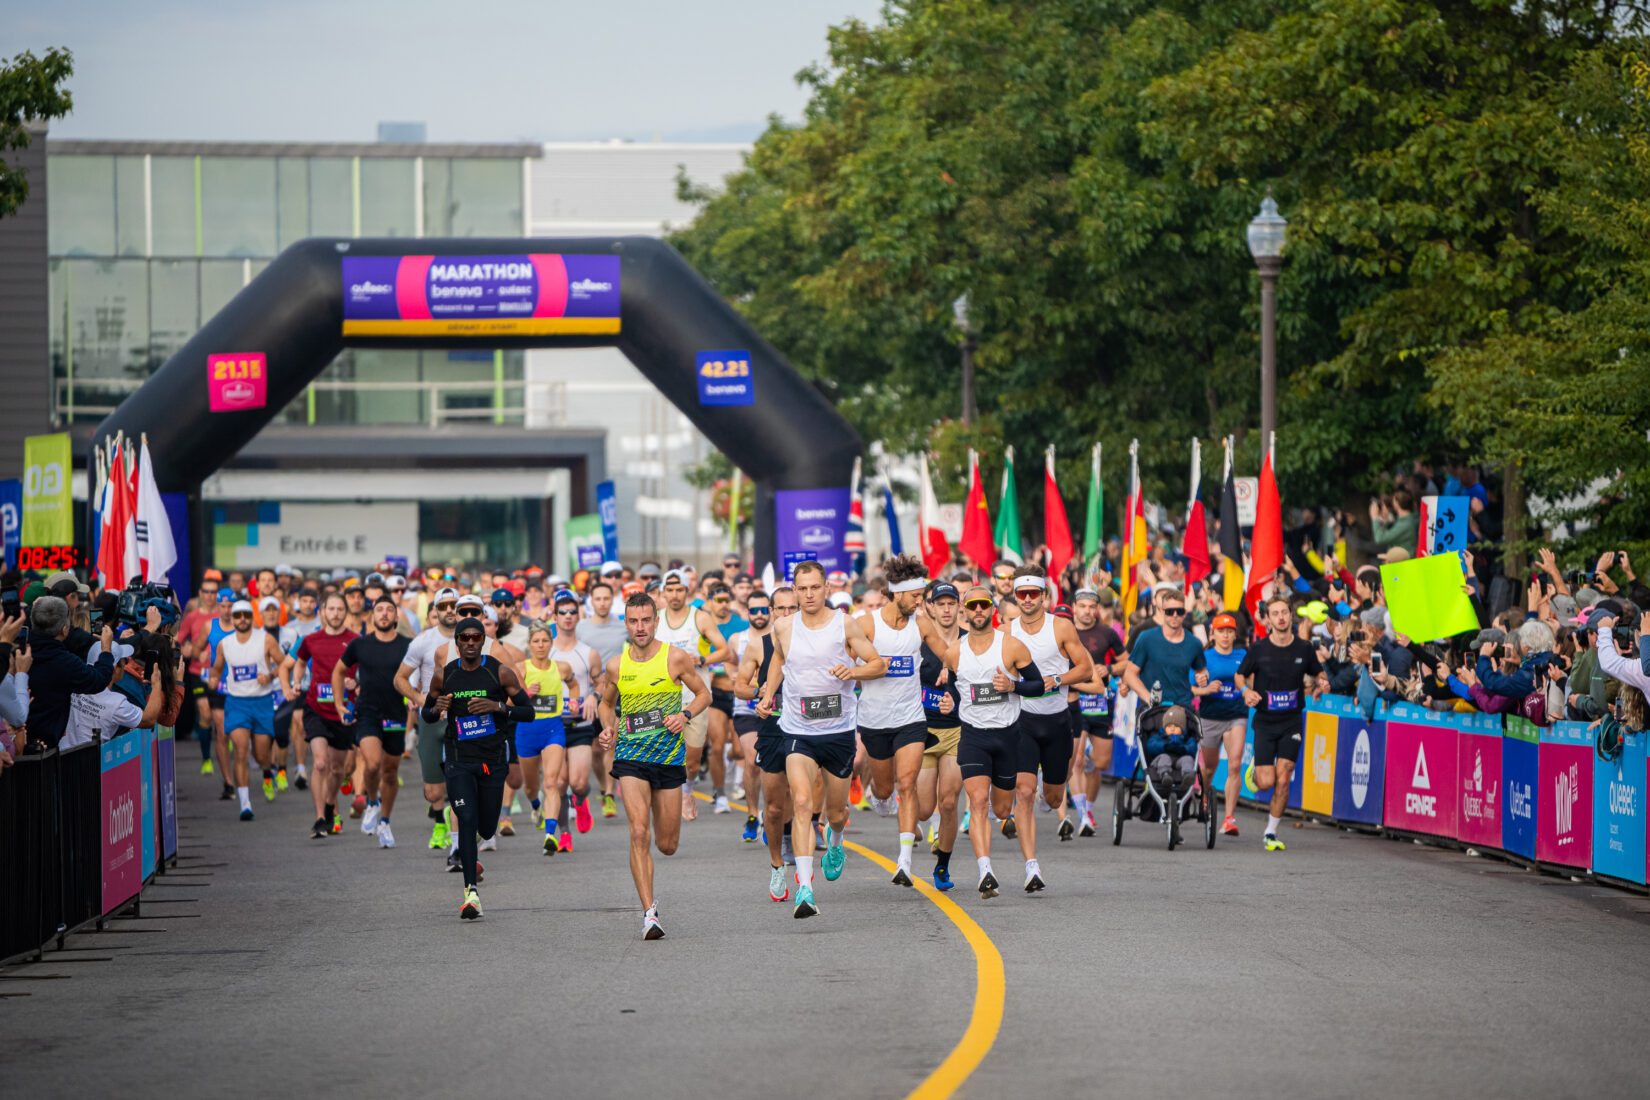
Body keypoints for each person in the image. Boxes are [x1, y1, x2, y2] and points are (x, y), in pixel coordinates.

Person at [758, 560, 887, 919]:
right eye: (802, 588)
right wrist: (769, 693)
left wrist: (854, 670)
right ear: (794, 590)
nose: (809, 594)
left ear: (826, 587)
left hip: (839, 731)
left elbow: (879, 664)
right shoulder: (783, 626)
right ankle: (805, 888)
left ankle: (837, 839)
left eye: (815, 587)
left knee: (836, 812)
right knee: (800, 803)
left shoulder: (845, 624)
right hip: (797, 729)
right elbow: (779, 661)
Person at [596, 592, 712, 940]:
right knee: (637, 832)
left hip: (668, 759)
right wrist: (607, 726)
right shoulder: (617, 665)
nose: (640, 627)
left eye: (646, 620)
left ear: (656, 621)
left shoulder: (674, 658)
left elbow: (704, 694)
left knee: (667, 844)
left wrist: (685, 714)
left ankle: (682, 800)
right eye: (633, 621)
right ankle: (649, 913)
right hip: (631, 757)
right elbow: (606, 703)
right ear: (626, 623)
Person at [421, 616, 538, 920]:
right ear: (456, 643)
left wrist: (498, 707)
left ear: (482, 641)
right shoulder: (444, 676)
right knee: (467, 818)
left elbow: (528, 712)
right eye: (465, 638)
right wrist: (438, 709)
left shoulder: (499, 672)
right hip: (459, 760)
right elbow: (427, 714)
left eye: (477, 638)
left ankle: (472, 853)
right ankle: (471, 893)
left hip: (492, 761)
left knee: (487, 828)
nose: (471, 643)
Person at [855, 553, 954, 886]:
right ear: (897, 593)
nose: (920, 602)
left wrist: (957, 665)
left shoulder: (921, 624)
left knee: (907, 784)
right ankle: (879, 797)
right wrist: (864, 668)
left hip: (911, 719)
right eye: (915, 596)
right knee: (884, 789)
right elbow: (842, 660)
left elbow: (949, 653)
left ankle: (904, 862)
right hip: (874, 720)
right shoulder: (867, 624)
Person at [944, 585, 1043, 897]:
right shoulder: (954, 652)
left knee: (1002, 809)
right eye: (972, 606)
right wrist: (949, 704)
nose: (978, 611)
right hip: (973, 736)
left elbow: (1038, 685)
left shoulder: (1011, 646)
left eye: (983, 605)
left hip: (1009, 735)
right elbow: (953, 690)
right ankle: (985, 870)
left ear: (992, 609)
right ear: (965, 610)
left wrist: (1013, 685)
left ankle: (1011, 834)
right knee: (977, 802)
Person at [1002, 564, 1094, 869]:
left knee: (1054, 798)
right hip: (1023, 721)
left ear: (1044, 596)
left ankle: (1049, 796)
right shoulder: (1007, 632)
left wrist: (1059, 679)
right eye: (1021, 593)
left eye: (1034, 593)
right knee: (1023, 792)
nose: (1027, 599)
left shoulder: (1061, 627)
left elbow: (1085, 668)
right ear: (1014, 596)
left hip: (1057, 721)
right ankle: (1031, 866)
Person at [1238, 596, 1328, 851]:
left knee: (1284, 776)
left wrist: (1322, 681)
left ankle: (1271, 832)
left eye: (1284, 613)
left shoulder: (1304, 648)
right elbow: (1239, 675)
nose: (1280, 617)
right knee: (1266, 782)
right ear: (1268, 619)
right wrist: (1245, 691)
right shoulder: (1258, 648)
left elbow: (1318, 671)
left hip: (1291, 721)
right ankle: (1256, 769)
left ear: (1290, 616)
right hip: (1265, 721)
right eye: (1275, 613)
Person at [334, 597, 412, 848]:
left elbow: (421, 670)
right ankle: (371, 802)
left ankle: (385, 822)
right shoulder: (359, 645)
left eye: (390, 610)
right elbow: (338, 671)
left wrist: (416, 696)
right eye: (380, 610)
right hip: (367, 712)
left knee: (390, 773)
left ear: (396, 617)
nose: (385, 614)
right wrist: (338, 703)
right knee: (372, 763)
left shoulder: (407, 645)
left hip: (395, 715)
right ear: (372, 617)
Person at [653, 569, 730, 822]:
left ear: (687, 591)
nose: (674, 594)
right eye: (670, 589)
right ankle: (666, 798)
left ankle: (687, 789)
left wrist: (702, 658)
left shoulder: (701, 618)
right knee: (662, 756)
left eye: (679, 589)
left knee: (692, 762)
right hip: (662, 698)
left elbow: (724, 650)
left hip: (695, 697)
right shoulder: (655, 618)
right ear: (663, 592)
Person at [282, 593, 359, 838]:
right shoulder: (310, 639)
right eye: (331, 609)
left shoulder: (356, 641)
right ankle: (319, 818)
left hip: (344, 711)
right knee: (321, 762)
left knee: (338, 769)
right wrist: (295, 682)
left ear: (345, 612)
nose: (335, 614)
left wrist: (355, 682)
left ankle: (329, 804)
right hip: (315, 708)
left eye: (340, 609)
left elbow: (367, 671)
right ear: (323, 611)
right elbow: (300, 662)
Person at [395, 587, 459, 854]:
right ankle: (440, 818)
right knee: (434, 792)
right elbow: (400, 678)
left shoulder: (472, 637)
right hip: (432, 717)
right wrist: (420, 699)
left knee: (461, 781)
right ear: (435, 610)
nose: (448, 610)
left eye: (453, 605)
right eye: (443, 606)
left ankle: (457, 838)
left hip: (464, 718)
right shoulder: (422, 641)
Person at [208, 599, 285, 820]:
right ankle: (245, 804)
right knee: (240, 750)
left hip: (261, 702)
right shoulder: (225, 643)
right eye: (238, 615)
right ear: (232, 618)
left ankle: (267, 772)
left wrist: (269, 676)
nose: (242, 619)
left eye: (246, 615)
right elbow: (216, 669)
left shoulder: (266, 639)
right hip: (237, 703)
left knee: (261, 755)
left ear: (252, 618)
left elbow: (283, 663)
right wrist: (213, 680)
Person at [916, 580, 964, 890]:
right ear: (930, 607)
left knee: (948, 802)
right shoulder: (918, 642)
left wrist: (955, 697)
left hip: (957, 731)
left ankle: (942, 866)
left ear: (959, 607)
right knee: (922, 809)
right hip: (922, 730)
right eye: (940, 603)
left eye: (951, 603)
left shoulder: (971, 641)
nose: (946, 609)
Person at [24, 596, 117, 752]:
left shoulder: (18, 650)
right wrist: (106, 649)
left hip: (15, 745)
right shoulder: (65, 662)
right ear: (64, 629)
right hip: (44, 747)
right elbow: (99, 680)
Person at [1066, 587, 1123, 837]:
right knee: (1075, 761)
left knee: (1100, 762)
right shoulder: (1065, 632)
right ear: (1075, 608)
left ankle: (1088, 807)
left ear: (1097, 610)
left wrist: (1108, 669)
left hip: (1101, 703)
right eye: (1083, 606)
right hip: (1073, 702)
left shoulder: (1108, 633)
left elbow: (1126, 662)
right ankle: (1083, 815)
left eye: (1092, 607)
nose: (1088, 611)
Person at [517, 624, 573, 856]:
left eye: (545, 641)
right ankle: (535, 805)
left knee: (552, 783)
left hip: (553, 729)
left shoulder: (561, 668)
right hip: (527, 731)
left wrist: (576, 700)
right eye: (536, 641)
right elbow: (509, 701)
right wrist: (526, 694)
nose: (541, 645)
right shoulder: (521, 668)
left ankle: (550, 834)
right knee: (531, 787)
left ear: (551, 643)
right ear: (529, 645)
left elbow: (575, 684)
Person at [1195, 612, 1249, 836]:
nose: (1225, 636)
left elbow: (1252, 680)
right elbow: (1190, 686)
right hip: (1209, 716)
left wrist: (1249, 691)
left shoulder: (1243, 655)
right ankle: (1205, 795)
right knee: (1209, 768)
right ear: (1213, 634)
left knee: (1234, 765)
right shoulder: (1204, 657)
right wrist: (1205, 689)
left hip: (1236, 715)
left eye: (1229, 631)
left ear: (1235, 634)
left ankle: (1229, 818)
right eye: (1221, 631)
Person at [730, 590, 775, 847]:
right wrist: (737, 678)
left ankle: (770, 815)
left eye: (763, 609)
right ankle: (751, 814)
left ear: (770, 611)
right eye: (754, 610)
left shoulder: (779, 637)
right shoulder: (738, 639)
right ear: (747, 613)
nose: (759, 614)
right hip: (746, 707)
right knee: (752, 759)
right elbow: (726, 666)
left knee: (768, 764)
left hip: (774, 708)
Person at [703, 581, 749, 814]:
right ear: (709, 601)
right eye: (718, 600)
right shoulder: (702, 625)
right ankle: (720, 794)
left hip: (739, 693)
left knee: (740, 751)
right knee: (717, 744)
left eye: (726, 600)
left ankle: (731, 761)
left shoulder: (741, 624)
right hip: (715, 694)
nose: (723, 605)